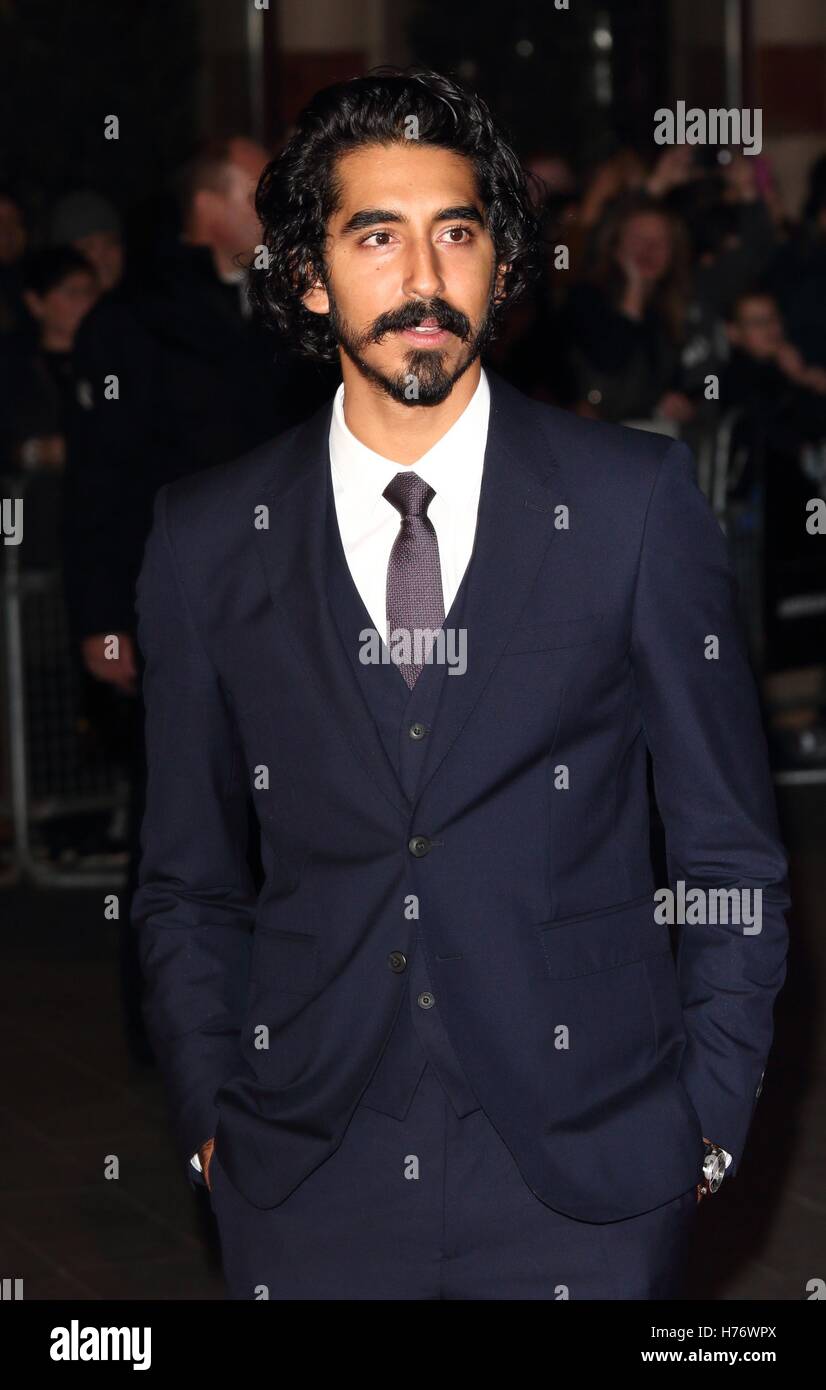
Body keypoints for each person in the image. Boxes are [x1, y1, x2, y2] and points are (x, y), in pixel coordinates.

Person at [132, 68, 790, 1300]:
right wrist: (212, 1120)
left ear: (501, 267)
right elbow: (184, 877)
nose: (423, 278)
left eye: (458, 234)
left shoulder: (629, 506)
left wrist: (701, 1124)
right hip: (306, 1172)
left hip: (585, 1174)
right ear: (310, 278)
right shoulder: (208, 537)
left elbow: (730, 859)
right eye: (375, 236)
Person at [63, 134, 337, 1064]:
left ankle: (287, 1017)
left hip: (293, 605)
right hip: (177, 605)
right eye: (257, 186)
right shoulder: (131, 325)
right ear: (212, 206)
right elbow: (99, 486)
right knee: (183, 813)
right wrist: (103, 619)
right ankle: (177, 1023)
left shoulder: (288, 308)